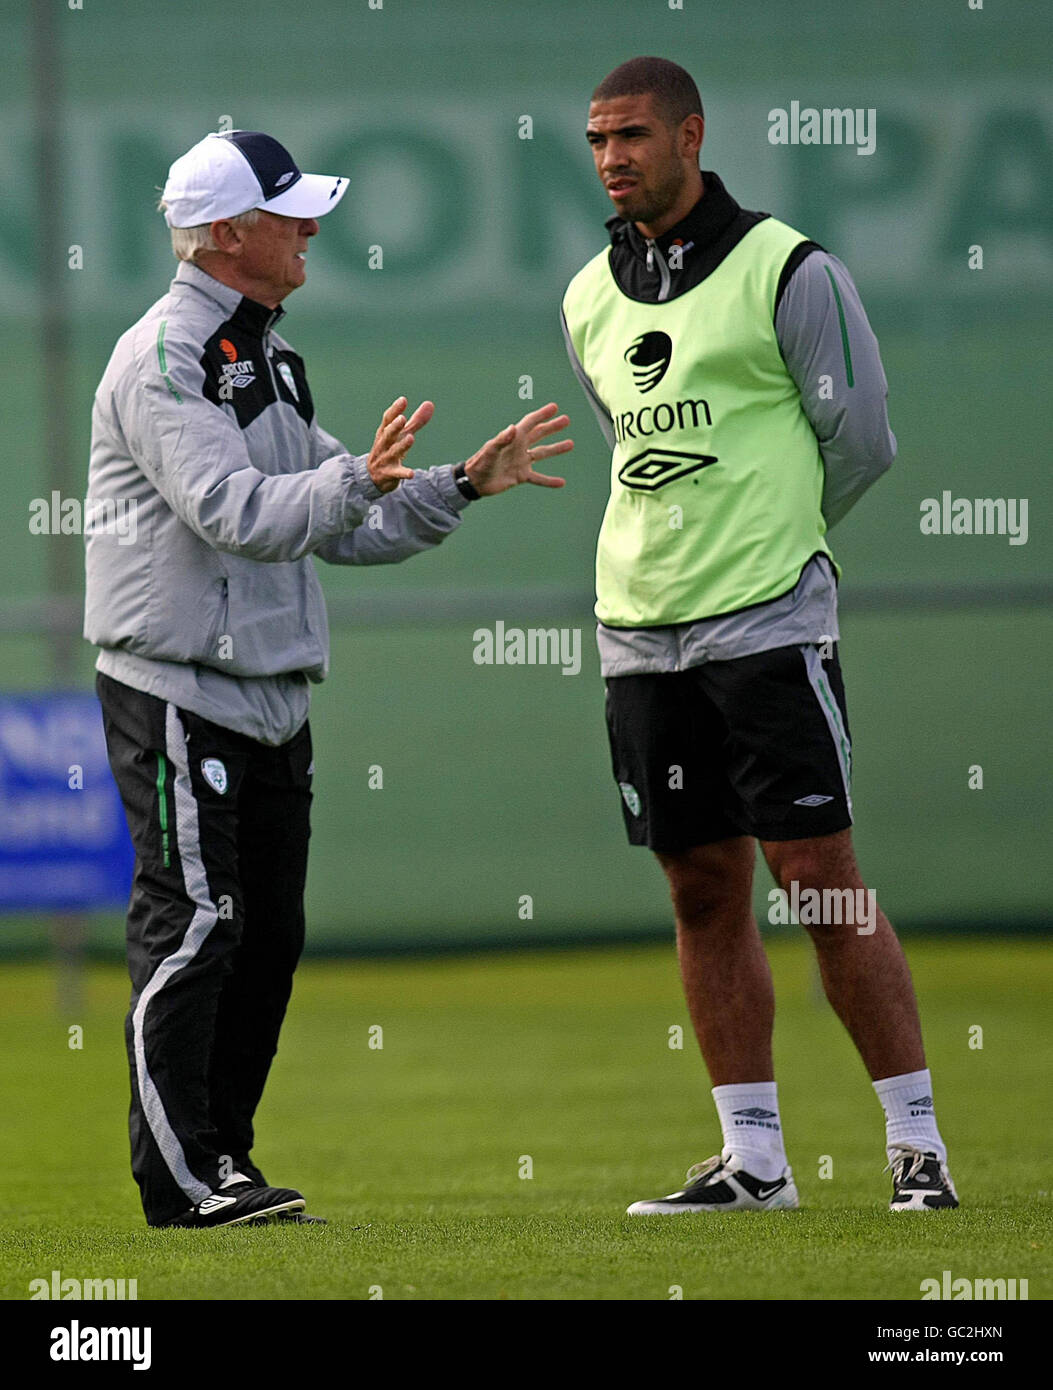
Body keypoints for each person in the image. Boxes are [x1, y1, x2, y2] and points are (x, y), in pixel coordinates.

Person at [85, 129, 573, 1228]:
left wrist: (460, 484)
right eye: (290, 212)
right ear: (224, 234)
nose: (311, 228)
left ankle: (226, 1162)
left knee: (265, 938)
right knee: (199, 923)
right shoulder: (166, 354)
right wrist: (353, 479)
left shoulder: (268, 356)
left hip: (270, 695)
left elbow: (348, 516)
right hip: (177, 690)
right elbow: (239, 512)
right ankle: (178, 1181)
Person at [560, 58, 958, 1214]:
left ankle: (917, 1145)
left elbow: (863, 438)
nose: (612, 158)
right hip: (640, 632)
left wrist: (775, 541)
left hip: (769, 623)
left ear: (690, 135)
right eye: (596, 140)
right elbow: (629, 454)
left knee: (820, 882)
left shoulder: (789, 268)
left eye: (632, 135)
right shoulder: (588, 294)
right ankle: (755, 1162)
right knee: (699, 889)